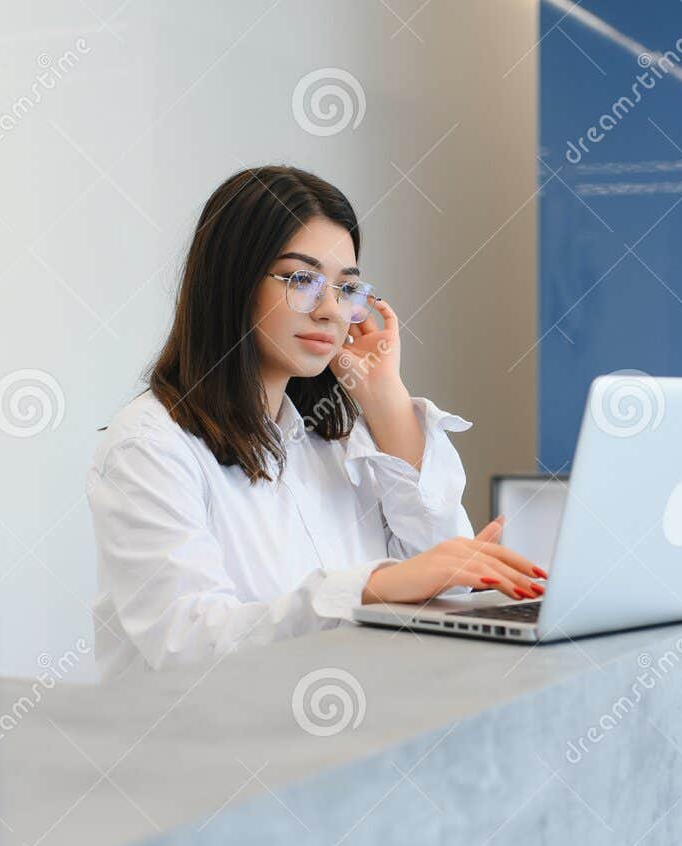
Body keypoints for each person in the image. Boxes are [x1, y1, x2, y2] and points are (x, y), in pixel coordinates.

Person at [87, 165, 546, 677]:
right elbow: (189, 645)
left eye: (346, 288)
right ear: (233, 283)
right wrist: (370, 587)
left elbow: (451, 584)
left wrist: (385, 398)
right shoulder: (149, 446)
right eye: (302, 280)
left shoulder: (329, 440)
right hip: (208, 746)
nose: (330, 310)